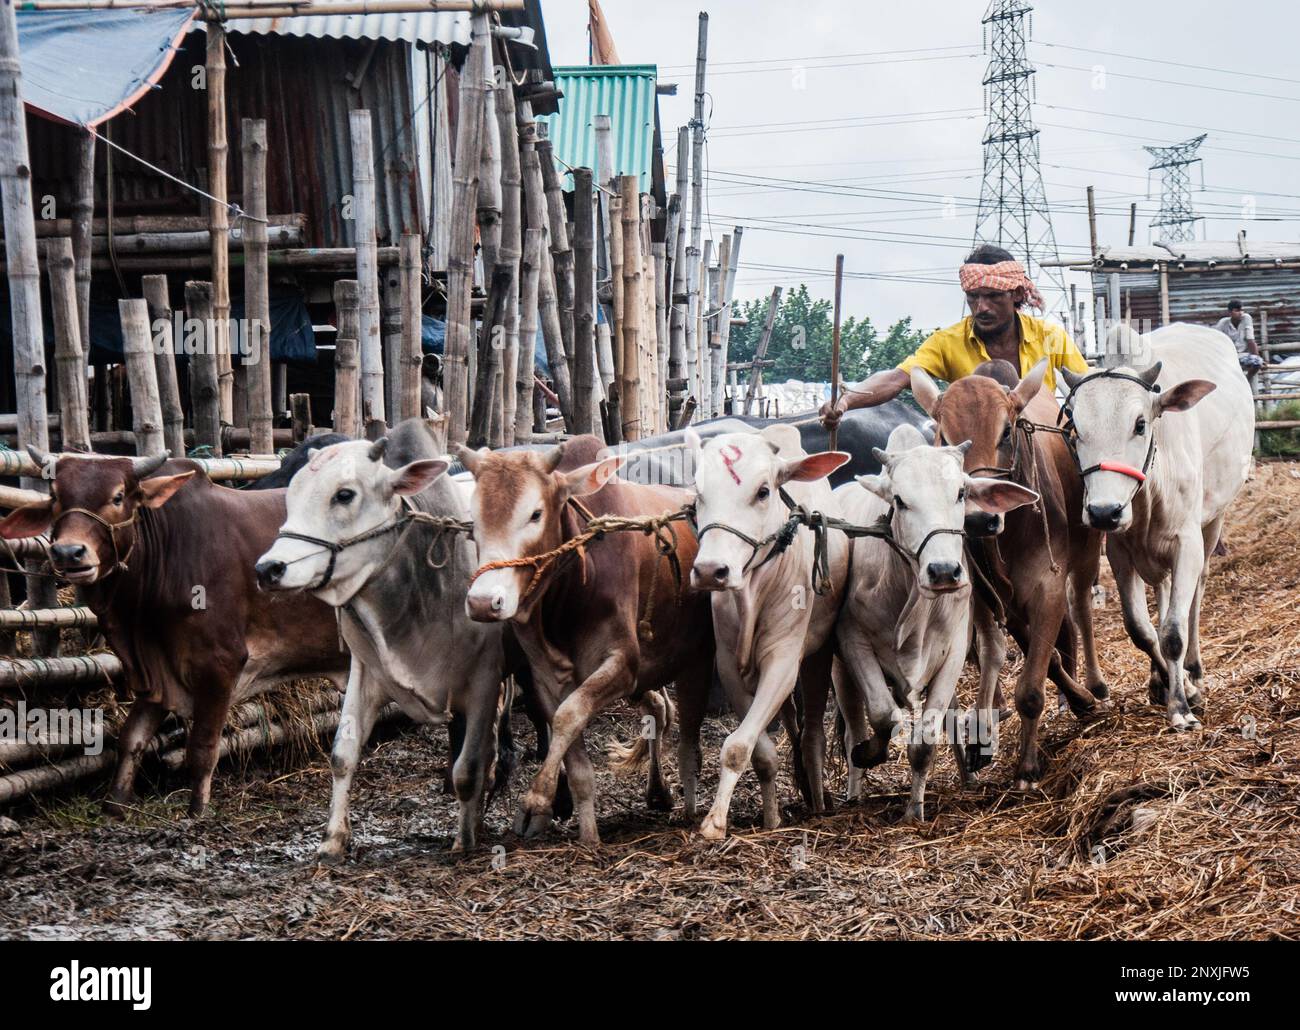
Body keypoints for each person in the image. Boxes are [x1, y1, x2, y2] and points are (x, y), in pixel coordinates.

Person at [820, 244, 1088, 429]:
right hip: (972, 455)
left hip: (1043, 454)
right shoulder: (947, 342)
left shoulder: (1051, 336)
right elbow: (896, 378)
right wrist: (846, 400)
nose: (982, 307)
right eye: (973, 297)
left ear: (1016, 295)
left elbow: (1087, 391)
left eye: (993, 296)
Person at [1214, 300, 1264, 383]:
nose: (1240, 313)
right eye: (1237, 311)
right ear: (1230, 313)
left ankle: (1246, 380)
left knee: (1257, 362)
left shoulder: (1246, 318)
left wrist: (1257, 357)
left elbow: (1250, 340)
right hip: (1228, 356)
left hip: (1243, 355)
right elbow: (1215, 339)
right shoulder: (1223, 323)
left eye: (1241, 310)